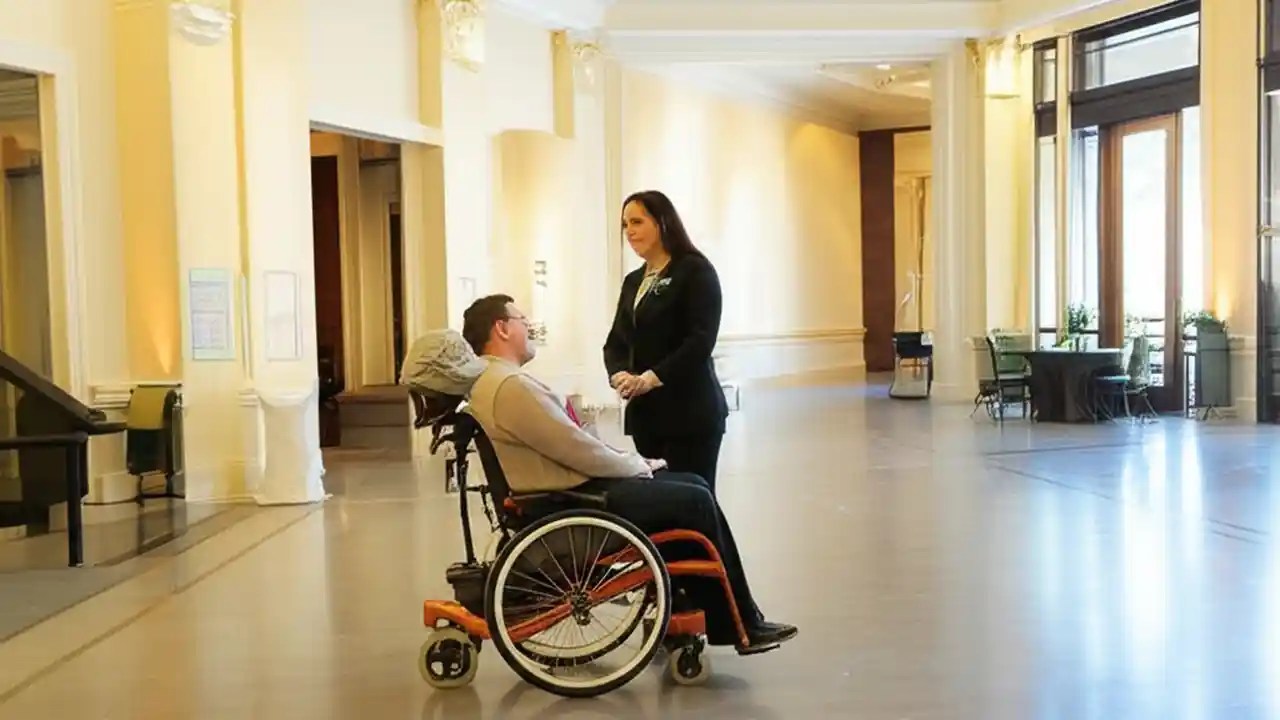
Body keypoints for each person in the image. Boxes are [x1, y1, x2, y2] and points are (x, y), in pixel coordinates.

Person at [460, 294, 797, 651]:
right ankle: (738, 622)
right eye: (521, 318)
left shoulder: (496, 381)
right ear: (501, 327)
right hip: (573, 499)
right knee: (693, 498)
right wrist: (637, 465)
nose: (529, 326)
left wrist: (631, 465)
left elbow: (571, 446)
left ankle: (718, 614)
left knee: (692, 485)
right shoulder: (509, 387)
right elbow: (578, 451)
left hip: (565, 492)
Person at [604, 190, 729, 494]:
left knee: (692, 500)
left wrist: (651, 378)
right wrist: (619, 373)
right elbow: (617, 341)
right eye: (625, 225)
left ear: (661, 222)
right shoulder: (634, 281)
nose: (629, 231)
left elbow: (700, 341)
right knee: (660, 502)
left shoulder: (695, 271)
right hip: (647, 418)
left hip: (690, 414)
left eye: (637, 221)